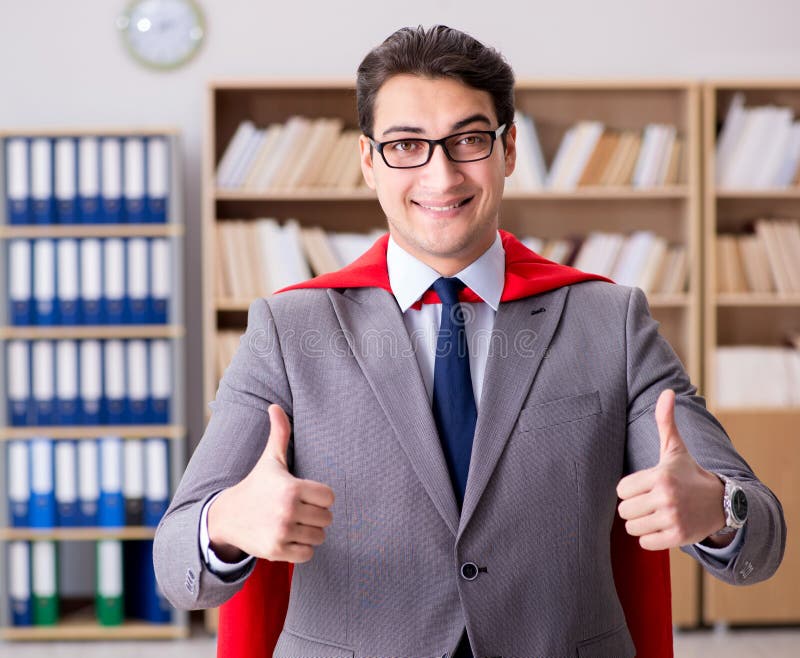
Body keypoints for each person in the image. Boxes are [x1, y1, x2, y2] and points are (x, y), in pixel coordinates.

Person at [154, 25, 785, 658]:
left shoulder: (610, 321)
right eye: (406, 144)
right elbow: (175, 561)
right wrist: (229, 524)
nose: (441, 172)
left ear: (509, 150)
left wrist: (718, 509)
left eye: (469, 140)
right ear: (369, 161)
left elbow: (763, 539)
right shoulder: (289, 331)